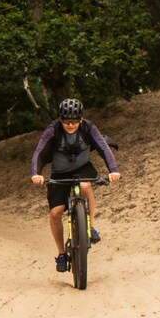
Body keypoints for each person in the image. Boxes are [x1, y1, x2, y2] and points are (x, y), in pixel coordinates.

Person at [30, 98, 120, 272]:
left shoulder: (88, 127)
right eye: (66, 121)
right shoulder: (53, 130)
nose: (70, 125)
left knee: (86, 186)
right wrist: (36, 173)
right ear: (60, 119)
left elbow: (103, 147)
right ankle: (62, 254)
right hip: (60, 173)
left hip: (83, 168)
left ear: (81, 119)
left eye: (74, 121)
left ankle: (90, 227)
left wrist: (113, 170)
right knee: (55, 213)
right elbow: (39, 153)